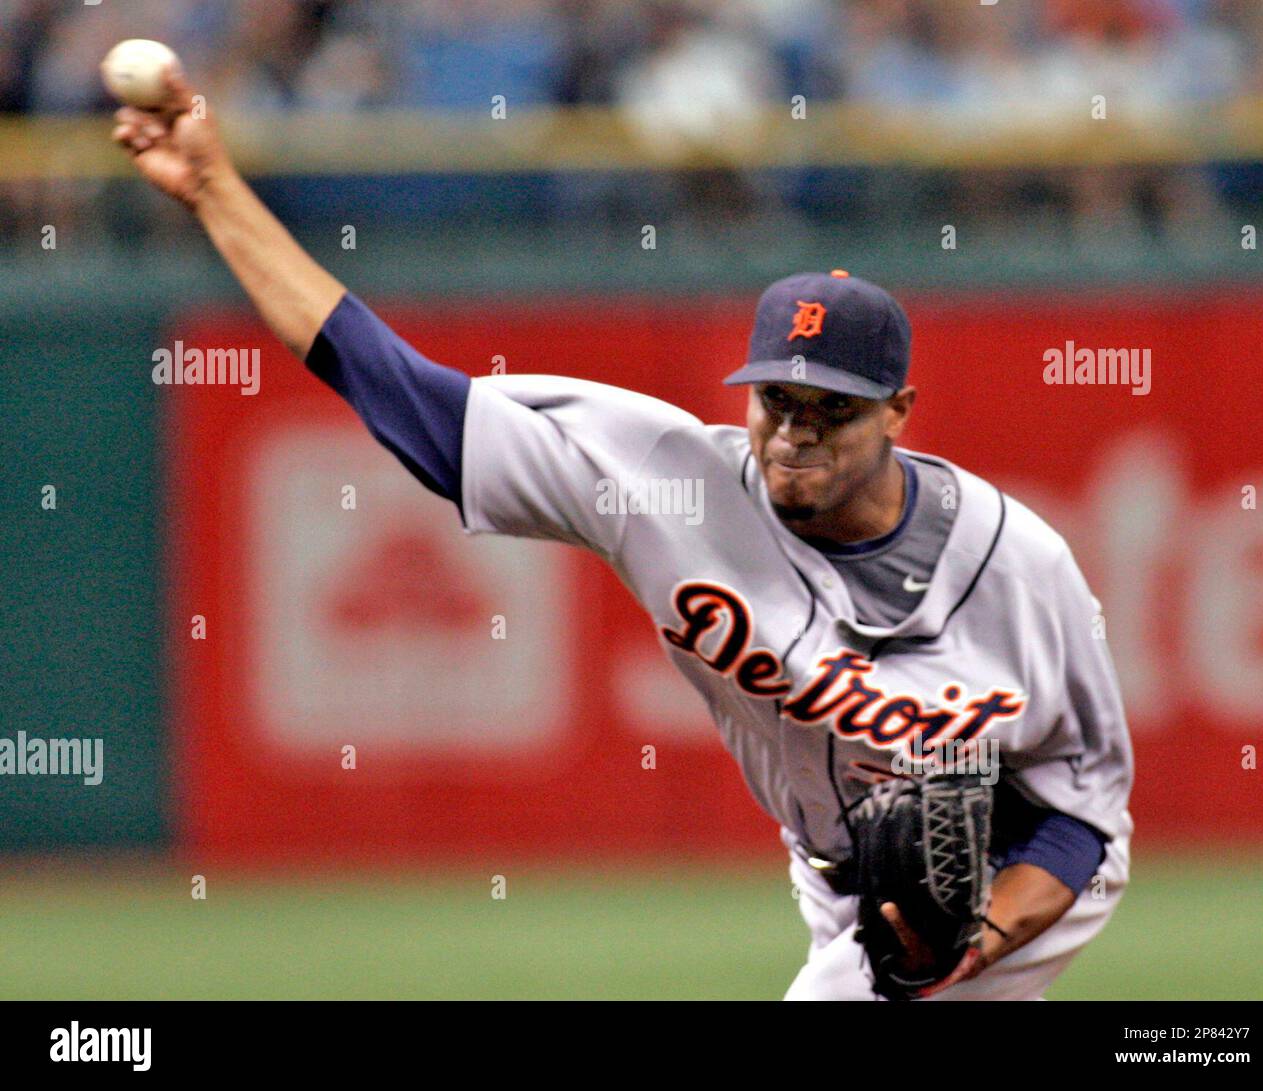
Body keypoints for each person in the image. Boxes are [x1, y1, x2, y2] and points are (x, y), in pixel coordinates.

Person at [111, 65, 1133, 1001]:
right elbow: (406, 399)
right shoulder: (666, 482)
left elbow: (1086, 808)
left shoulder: (1018, 564)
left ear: (898, 410)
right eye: (777, 400)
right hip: (830, 874)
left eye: (832, 408)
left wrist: (981, 936)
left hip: (1007, 885)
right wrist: (214, 191)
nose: (795, 431)